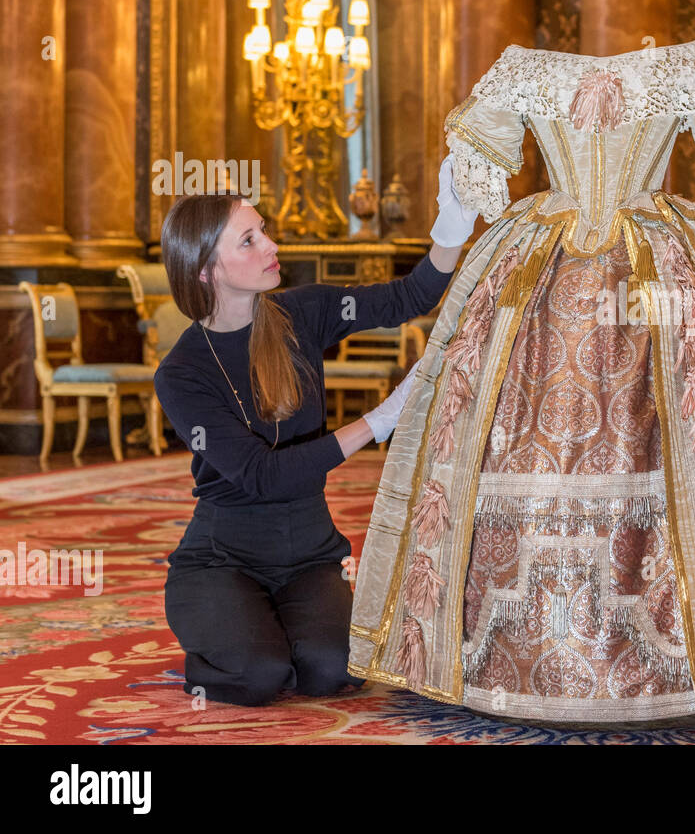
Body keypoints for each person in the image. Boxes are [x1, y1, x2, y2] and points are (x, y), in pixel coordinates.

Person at [347, 38, 695, 724]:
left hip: (538, 256)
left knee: (507, 428)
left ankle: (489, 648)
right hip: (660, 252)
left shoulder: (522, 69)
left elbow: (479, 173)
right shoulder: (692, 65)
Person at [154, 156, 476, 706]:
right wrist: (379, 422)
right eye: (249, 240)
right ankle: (227, 633)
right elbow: (260, 475)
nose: (271, 245)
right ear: (206, 270)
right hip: (223, 555)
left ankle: (274, 624)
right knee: (260, 675)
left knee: (335, 671)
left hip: (308, 551)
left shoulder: (301, 314)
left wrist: (453, 221)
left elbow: (409, 297)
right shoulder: (181, 374)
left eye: (264, 231)